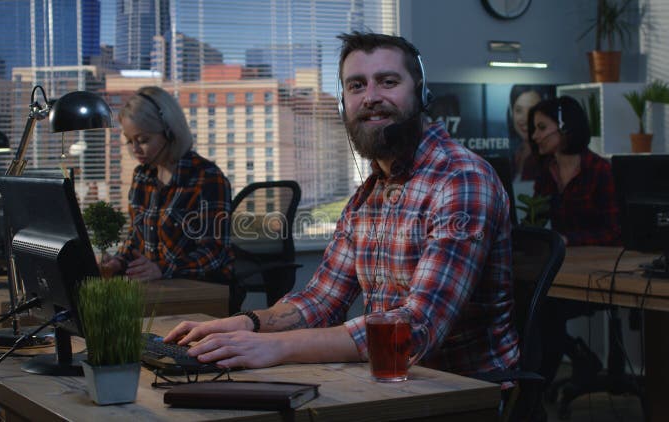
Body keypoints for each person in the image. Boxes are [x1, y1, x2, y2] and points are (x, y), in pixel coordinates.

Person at [164, 32, 519, 380]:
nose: (371, 97)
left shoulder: (461, 180)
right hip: (393, 383)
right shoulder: (368, 196)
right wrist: (247, 324)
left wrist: (276, 347)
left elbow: (415, 326)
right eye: (356, 86)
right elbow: (323, 299)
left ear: (421, 93)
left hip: (467, 390)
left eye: (388, 82)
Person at [527, 96, 621, 387]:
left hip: (597, 275)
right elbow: (537, 222)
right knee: (529, 306)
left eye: (542, 127)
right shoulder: (546, 173)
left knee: (545, 312)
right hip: (561, 271)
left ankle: (536, 392)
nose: (535, 136)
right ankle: (538, 385)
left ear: (565, 128)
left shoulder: (600, 171)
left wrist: (570, 239)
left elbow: (614, 233)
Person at [101, 86, 234, 283]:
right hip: (158, 287)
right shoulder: (142, 176)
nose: (135, 149)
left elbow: (214, 252)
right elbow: (135, 239)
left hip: (202, 289)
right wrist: (118, 262)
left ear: (170, 133)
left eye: (143, 140)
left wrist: (162, 269)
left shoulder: (207, 178)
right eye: (129, 141)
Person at [507, 85, 552, 181]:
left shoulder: (550, 157)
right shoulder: (515, 155)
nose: (526, 118)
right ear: (511, 112)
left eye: (532, 111)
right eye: (519, 110)